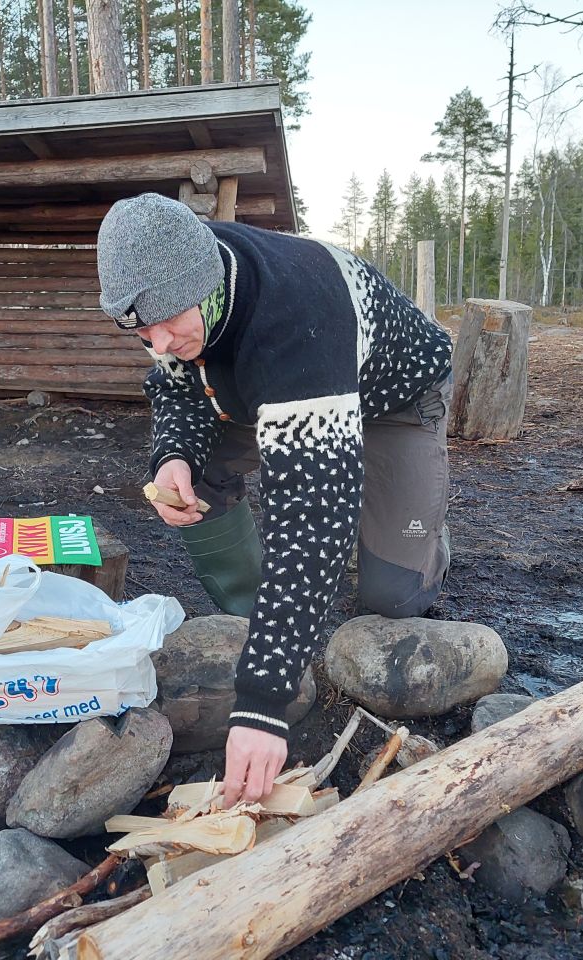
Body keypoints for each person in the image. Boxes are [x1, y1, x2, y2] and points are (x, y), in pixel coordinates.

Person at [96, 193, 454, 806]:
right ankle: (254, 612)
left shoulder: (296, 315)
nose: (155, 341)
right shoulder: (164, 284)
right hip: (266, 395)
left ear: (206, 287)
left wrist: (262, 705)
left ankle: (419, 535)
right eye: (139, 328)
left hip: (393, 399)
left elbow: (309, 520)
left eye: (167, 324)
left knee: (389, 596)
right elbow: (179, 389)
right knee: (192, 478)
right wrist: (172, 457)